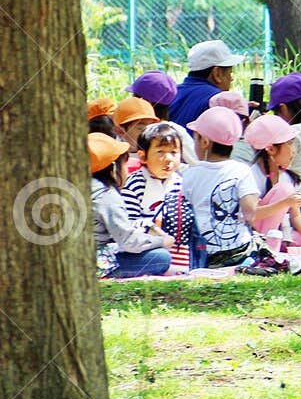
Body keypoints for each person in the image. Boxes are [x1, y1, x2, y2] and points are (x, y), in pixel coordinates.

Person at [89, 132, 173, 277]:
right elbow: (129, 242)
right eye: (125, 164)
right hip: (93, 262)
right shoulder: (106, 195)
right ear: (114, 168)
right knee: (161, 257)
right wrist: (161, 241)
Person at [181, 108, 256, 268]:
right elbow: (251, 212)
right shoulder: (242, 170)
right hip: (238, 251)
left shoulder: (189, 174)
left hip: (201, 252)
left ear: (205, 142)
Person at [243, 115, 301, 249]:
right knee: (285, 190)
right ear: (271, 149)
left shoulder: (287, 177)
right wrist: (285, 202)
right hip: (255, 237)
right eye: (289, 144)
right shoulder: (251, 175)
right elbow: (251, 214)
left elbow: (296, 217)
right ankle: (266, 250)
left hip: (283, 234)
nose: (293, 150)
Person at [122, 121, 194, 270]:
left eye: (174, 152)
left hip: (180, 253)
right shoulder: (134, 184)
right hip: (147, 250)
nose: (168, 159)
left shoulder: (182, 183)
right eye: (160, 152)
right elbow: (130, 223)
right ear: (143, 157)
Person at [169, 40, 245, 127]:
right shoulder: (217, 101)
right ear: (217, 73)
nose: (231, 78)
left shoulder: (172, 93)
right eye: (229, 73)